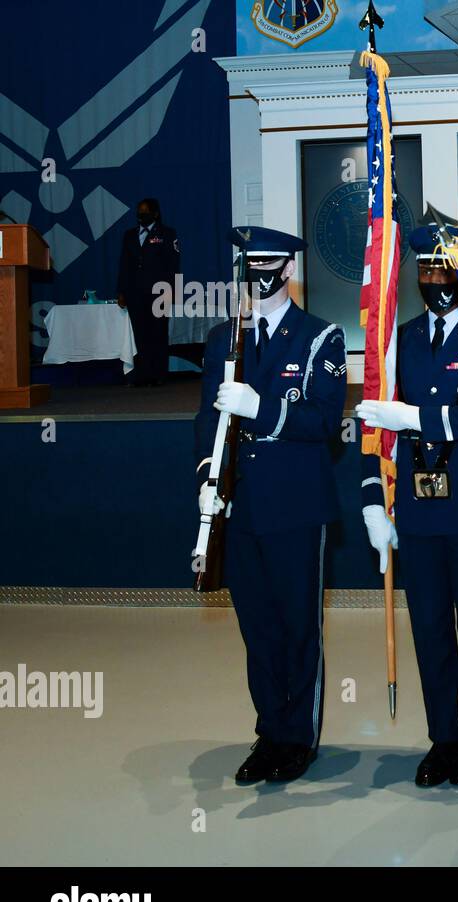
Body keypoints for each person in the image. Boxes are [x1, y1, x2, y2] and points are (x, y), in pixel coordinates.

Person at [194, 226, 346, 785]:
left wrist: (260, 407)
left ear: (288, 269)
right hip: (241, 507)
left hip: (296, 505)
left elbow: (325, 423)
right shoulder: (223, 339)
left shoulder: (320, 338)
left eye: (268, 262)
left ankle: (299, 737)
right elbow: (206, 420)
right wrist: (208, 478)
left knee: (299, 626)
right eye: (249, 262)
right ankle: (269, 730)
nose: (258, 271)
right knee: (257, 628)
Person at [354, 226, 458, 788]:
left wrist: (417, 419)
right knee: (430, 627)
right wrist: (374, 498)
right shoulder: (402, 340)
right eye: (425, 270)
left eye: (445, 269)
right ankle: (443, 735)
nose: (435, 280)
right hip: (416, 506)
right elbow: (373, 422)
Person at [116, 198, 180, 386]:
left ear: (155, 214)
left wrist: (171, 290)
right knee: (140, 334)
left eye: (144, 211)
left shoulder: (167, 234)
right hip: (134, 292)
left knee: (158, 333)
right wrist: (121, 291)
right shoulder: (129, 235)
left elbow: (173, 265)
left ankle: (159, 374)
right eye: (138, 211)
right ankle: (142, 374)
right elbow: (124, 264)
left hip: (159, 293)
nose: (140, 215)